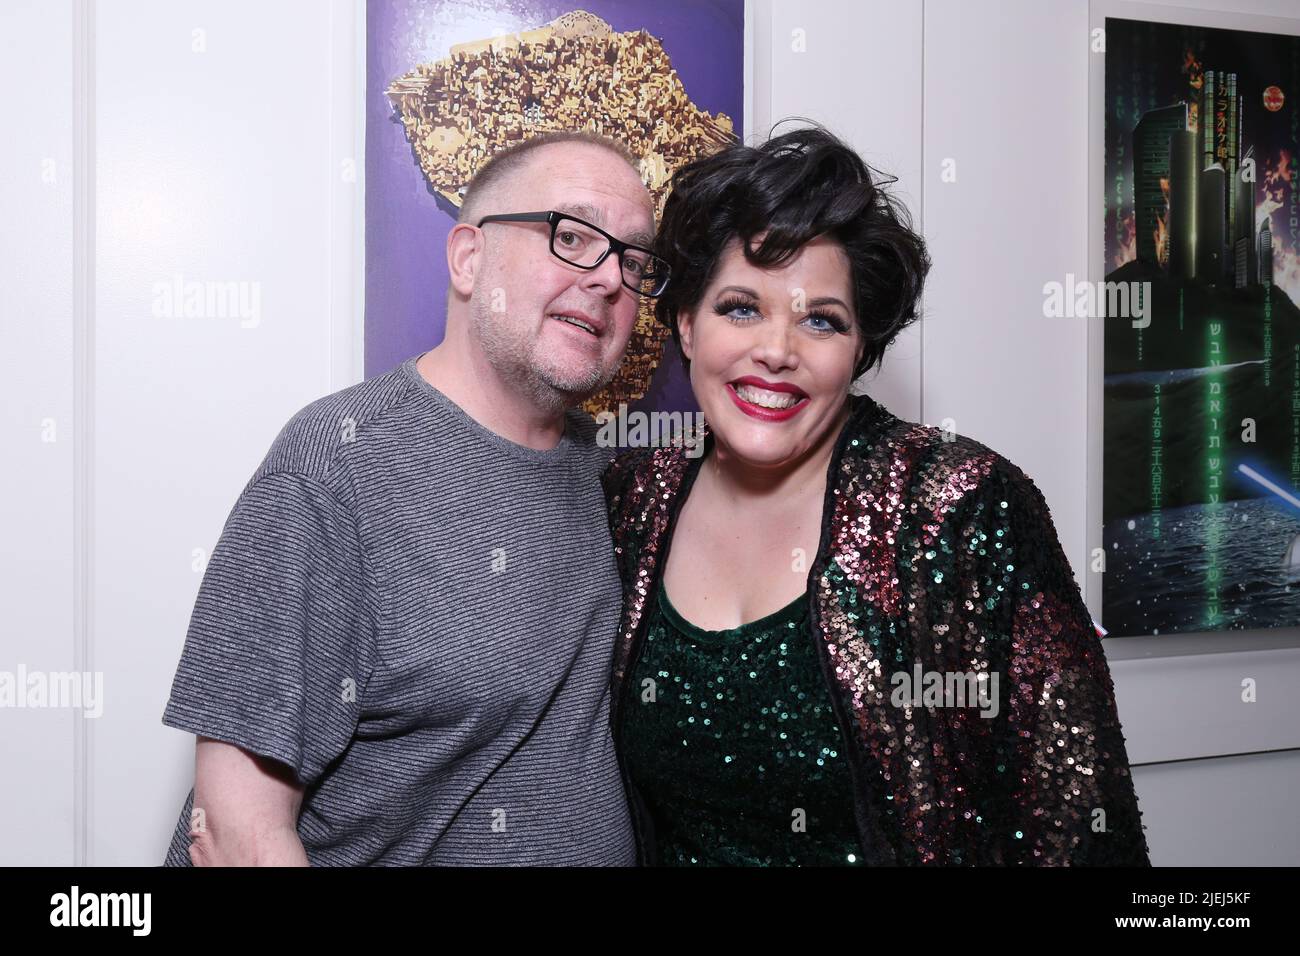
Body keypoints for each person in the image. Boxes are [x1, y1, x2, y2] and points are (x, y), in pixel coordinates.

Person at [603, 124, 1151, 866]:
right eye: (741, 307)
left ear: (859, 349)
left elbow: (1079, 822)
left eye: (820, 320)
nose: (777, 350)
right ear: (687, 325)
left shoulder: (958, 506)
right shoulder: (632, 502)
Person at [161, 129, 667, 865]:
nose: (610, 279)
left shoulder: (619, 480)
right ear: (469, 258)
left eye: (633, 259)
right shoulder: (334, 469)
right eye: (572, 237)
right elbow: (236, 830)